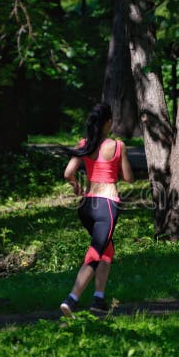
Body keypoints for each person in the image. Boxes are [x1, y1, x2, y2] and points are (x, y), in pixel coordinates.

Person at [60, 103, 134, 316]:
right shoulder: (118, 146)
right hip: (106, 206)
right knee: (95, 252)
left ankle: (98, 299)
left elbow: (68, 174)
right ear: (108, 122)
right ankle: (71, 299)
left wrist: (77, 186)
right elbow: (129, 178)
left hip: (86, 206)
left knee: (106, 249)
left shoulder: (84, 144)